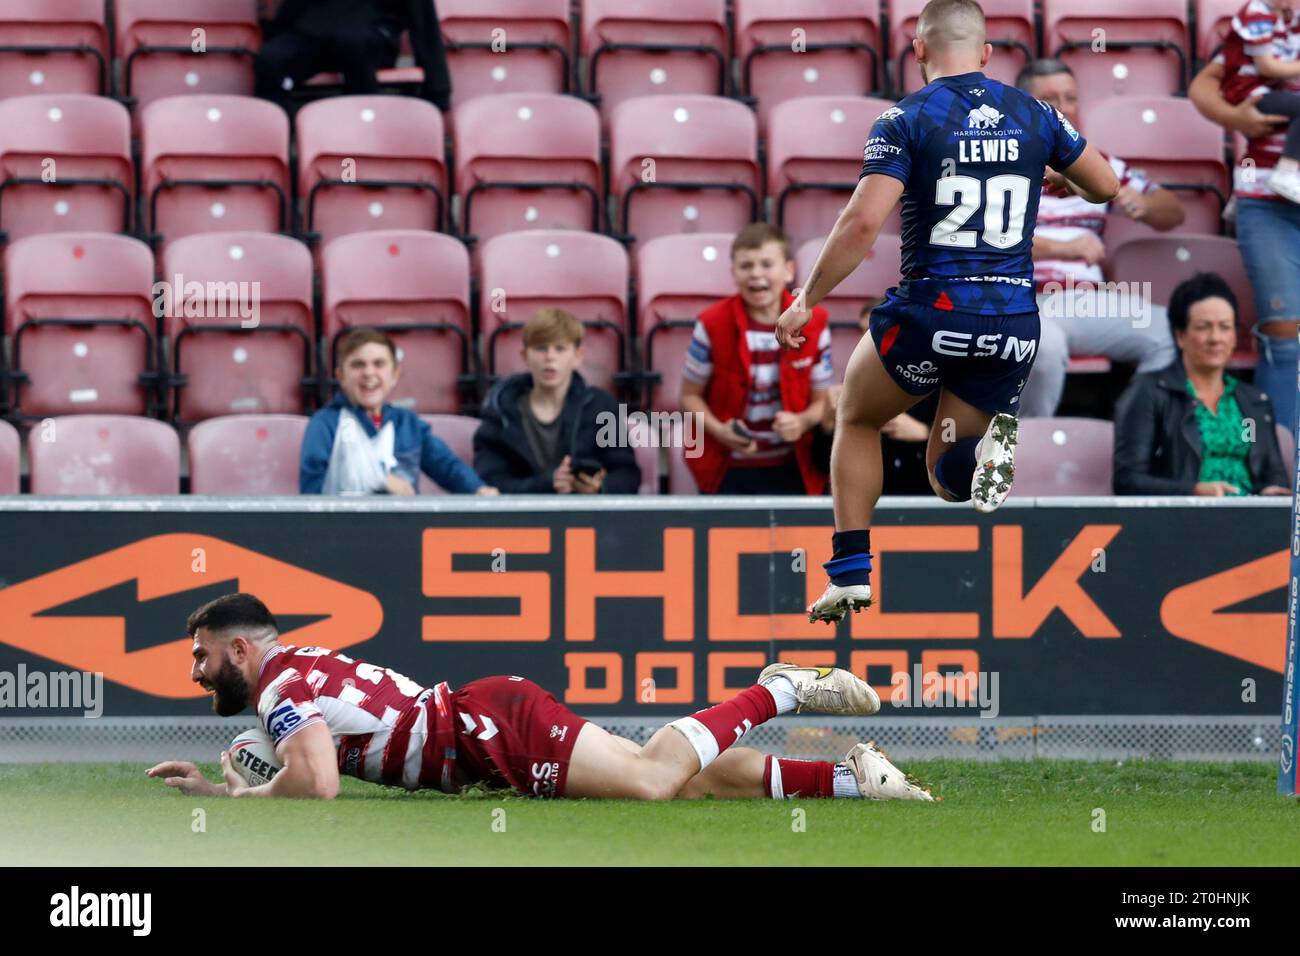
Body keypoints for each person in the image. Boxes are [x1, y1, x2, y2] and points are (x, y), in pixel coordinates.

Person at [774, 0, 1119, 623]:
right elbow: (1107, 184)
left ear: (918, 50)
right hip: (1013, 321)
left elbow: (860, 224)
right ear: (988, 54)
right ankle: (982, 455)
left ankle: (851, 570)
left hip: (932, 313)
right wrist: (1056, 175)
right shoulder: (1036, 112)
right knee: (944, 474)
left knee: (855, 417)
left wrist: (808, 299)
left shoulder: (904, 118)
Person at [145, 593, 933, 802]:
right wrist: (252, 776)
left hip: (488, 734)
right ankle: (850, 779)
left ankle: (778, 690)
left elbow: (315, 781)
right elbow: (316, 762)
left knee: (654, 782)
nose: (196, 672)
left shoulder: (282, 684)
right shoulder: (300, 667)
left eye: (203, 657)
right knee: (677, 774)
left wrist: (240, 798)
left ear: (240, 648)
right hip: (484, 727)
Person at [1014, 59, 1185, 418]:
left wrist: (1141, 203)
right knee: (1043, 348)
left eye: (1070, 97)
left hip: (1086, 301)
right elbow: (981, 240)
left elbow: (1173, 213)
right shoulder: (999, 162)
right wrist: (1064, 248)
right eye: (1050, 99)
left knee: (1175, 334)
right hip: (1025, 300)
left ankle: (1134, 438)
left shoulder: (1099, 163)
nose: (1064, 107)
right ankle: (1023, 456)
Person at [1190, 34, 1300, 437]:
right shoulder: (1264, 27)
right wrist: (1236, 119)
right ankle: (1282, 465)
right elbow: (1203, 86)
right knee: (1285, 330)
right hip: (1269, 195)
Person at [679, 223, 832, 495]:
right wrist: (720, 431)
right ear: (733, 273)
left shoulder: (815, 322)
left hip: (796, 466)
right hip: (727, 468)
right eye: (746, 266)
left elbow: (823, 402)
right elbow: (689, 397)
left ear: (788, 271)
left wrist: (802, 422)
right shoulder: (711, 323)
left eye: (766, 264)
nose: (756, 274)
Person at [1113, 273, 1290, 496]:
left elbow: (1268, 468)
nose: (1215, 338)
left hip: (1249, 520)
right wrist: (1193, 491)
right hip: (1184, 521)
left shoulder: (1252, 403)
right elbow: (1128, 481)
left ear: (1235, 337)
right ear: (1180, 336)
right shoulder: (1150, 392)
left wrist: (1270, 490)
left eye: (1225, 327)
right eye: (1203, 327)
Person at [300, 328, 496, 496]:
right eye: (358, 365)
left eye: (379, 364)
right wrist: (379, 481)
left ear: (395, 375)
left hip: (404, 530)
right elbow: (312, 492)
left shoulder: (408, 424)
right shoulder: (324, 424)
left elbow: (446, 465)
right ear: (341, 376)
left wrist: (477, 490)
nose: (369, 373)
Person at [473, 308, 640, 494]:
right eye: (540, 348)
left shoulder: (602, 406)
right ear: (525, 356)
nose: (550, 357)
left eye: (560, 349)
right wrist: (547, 484)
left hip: (587, 518)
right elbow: (490, 482)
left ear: (578, 357)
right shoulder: (500, 410)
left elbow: (627, 475)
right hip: (520, 520)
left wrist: (599, 488)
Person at [255, 0, 452, 113]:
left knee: (352, 44)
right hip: (314, 31)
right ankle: (294, 143)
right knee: (271, 59)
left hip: (369, 32)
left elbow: (423, 18)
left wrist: (438, 93)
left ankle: (364, 140)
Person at [1218, 0, 1300, 203]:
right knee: (1256, 144)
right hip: (1251, 93)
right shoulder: (1258, 14)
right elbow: (1267, 66)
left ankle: (1238, 196)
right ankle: (1286, 172)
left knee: (1255, 146)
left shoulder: (1284, 16)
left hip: (1267, 93)